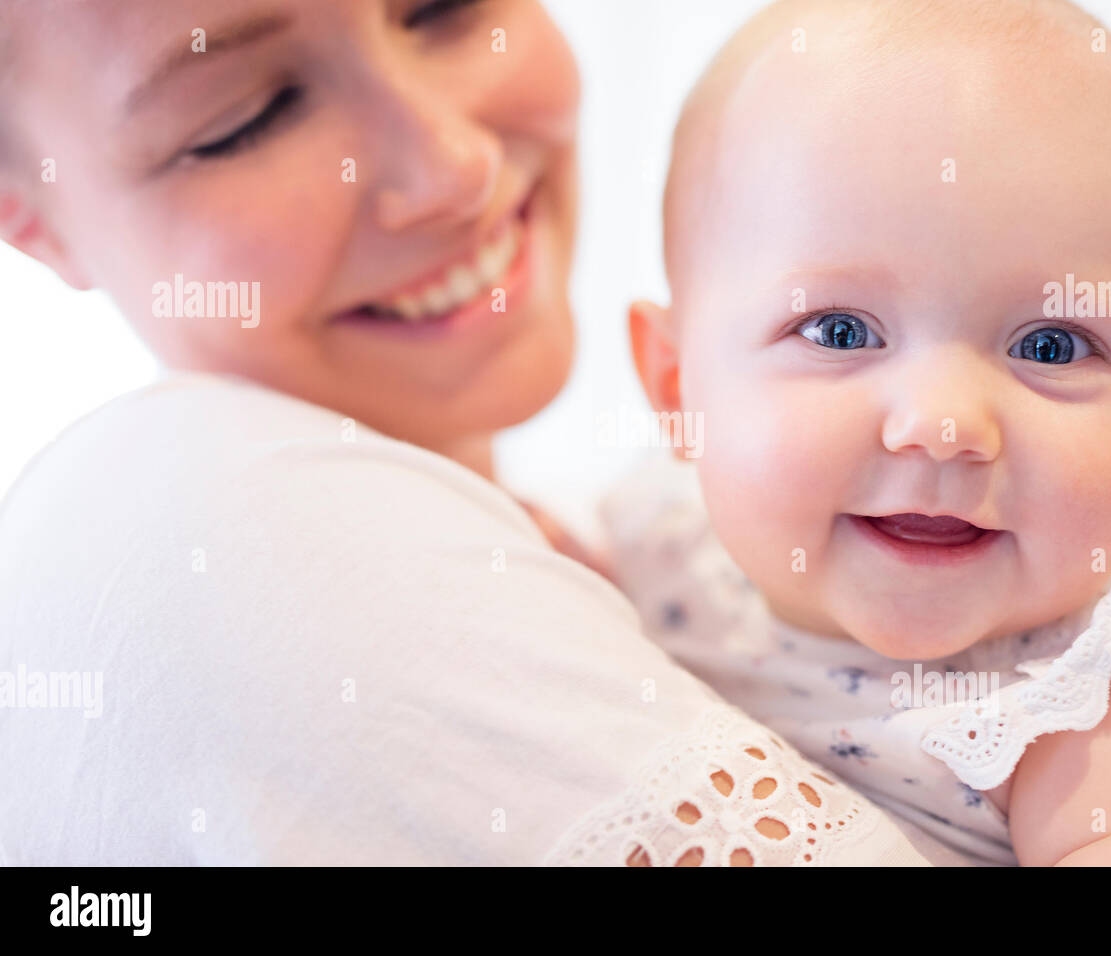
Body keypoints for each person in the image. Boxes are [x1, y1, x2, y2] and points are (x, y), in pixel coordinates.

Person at [0, 0, 933, 866]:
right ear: (28, 217)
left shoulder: (649, 553)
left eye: (447, 5)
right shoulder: (185, 537)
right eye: (246, 117)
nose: (453, 167)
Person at [615, 0, 1111, 864]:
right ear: (678, 388)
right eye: (840, 331)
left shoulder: (1089, 708)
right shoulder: (649, 546)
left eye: (1050, 345)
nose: (944, 427)